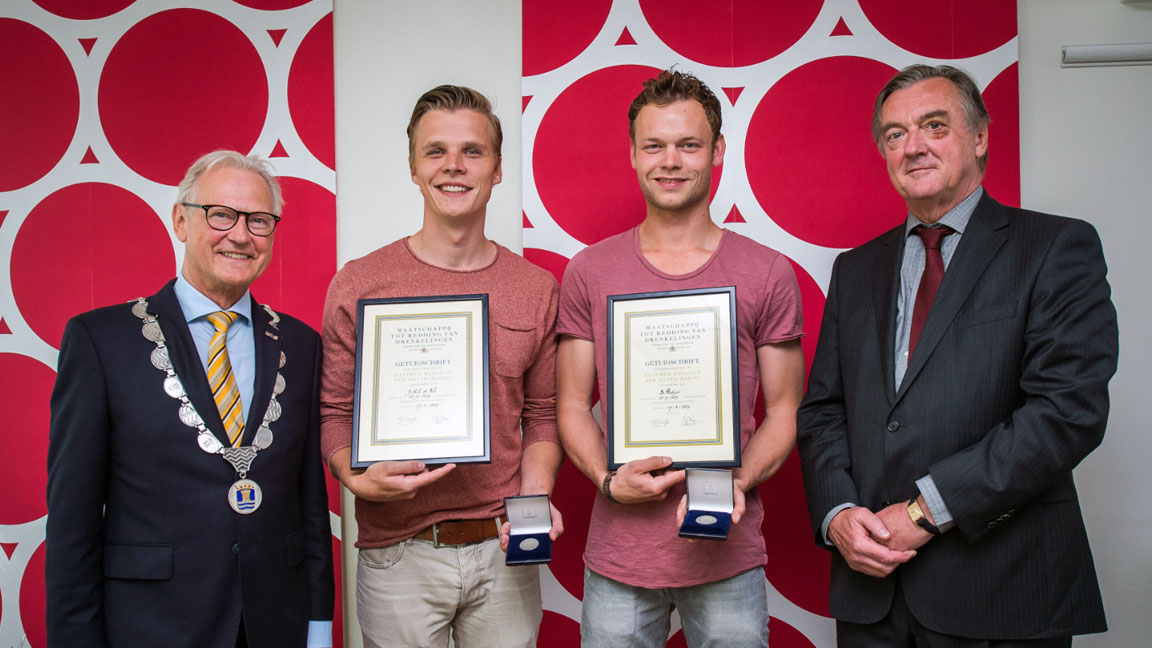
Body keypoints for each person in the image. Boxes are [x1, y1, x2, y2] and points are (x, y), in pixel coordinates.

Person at [797, 64, 1117, 646]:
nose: (913, 146)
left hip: (1003, 589)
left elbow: (1068, 412)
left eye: (934, 125)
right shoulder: (855, 268)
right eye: (895, 134)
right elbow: (824, 411)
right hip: (873, 594)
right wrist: (838, 514)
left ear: (980, 136)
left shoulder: (1055, 247)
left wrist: (924, 512)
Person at [556, 69, 805, 647]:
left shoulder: (766, 271)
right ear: (634, 154)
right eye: (655, 145)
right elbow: (570, 404)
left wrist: (737, 481)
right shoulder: (589, 271)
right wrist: (606, 478)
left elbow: (786, 409)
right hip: (620, 556)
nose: (671, 161)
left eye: (689, 144)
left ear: (717, 151)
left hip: (727, 552)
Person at [46, 150, 335, 648]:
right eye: (220, 214)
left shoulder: (301, 344)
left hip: (276, 622)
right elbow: (73, 523)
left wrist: (318, 624)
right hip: (154, 624)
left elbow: (310, 503)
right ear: (181, 219)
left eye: (259, 221)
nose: (240, 235)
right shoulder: (101, 341)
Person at [320, 85, 563, 648]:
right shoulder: (360, 283)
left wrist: (533, 502)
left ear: (498, 168)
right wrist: (352, 475)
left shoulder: (535, 288)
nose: (454, 167)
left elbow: (544, 414)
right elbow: (334, 411)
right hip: (396, 552)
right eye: (436, 152)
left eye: (472, 152)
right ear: (412, 166)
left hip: (502, 547)